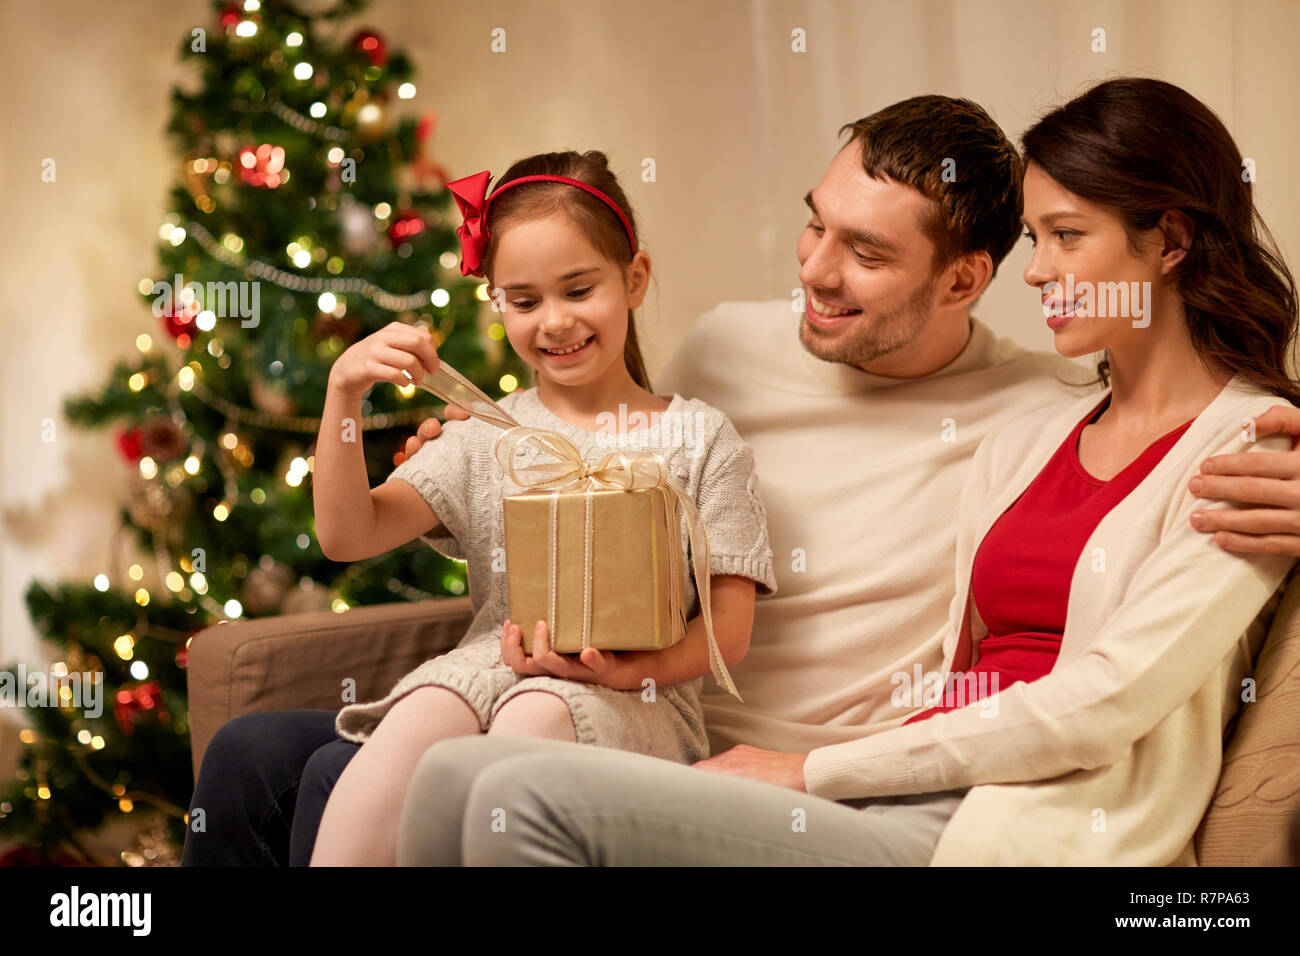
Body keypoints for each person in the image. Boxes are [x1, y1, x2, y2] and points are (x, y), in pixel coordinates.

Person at [180, 91, 1300, 868]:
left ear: (964, 278)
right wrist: (460, 450)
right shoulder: (725, 350)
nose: (814, 272)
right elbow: (598, 448)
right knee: (259, 756)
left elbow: (1113, 628)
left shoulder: (1026, 414)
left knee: (473, 780)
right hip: (626, 704)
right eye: (816, 228)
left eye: (864, 255)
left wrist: (818, 763)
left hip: (786, 755)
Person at [302, 149, 775, 866]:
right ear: (496, 304)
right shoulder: (484, 433)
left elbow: (727, 634)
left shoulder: (701, 439)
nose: (553, 323)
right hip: (492, 667)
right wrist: (342, 396)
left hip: (638, 701)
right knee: (421, 711)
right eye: (523, 302)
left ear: (634, 279)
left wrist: (623, 671)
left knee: (535, 714)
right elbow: (346, 535)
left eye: (578, 290)